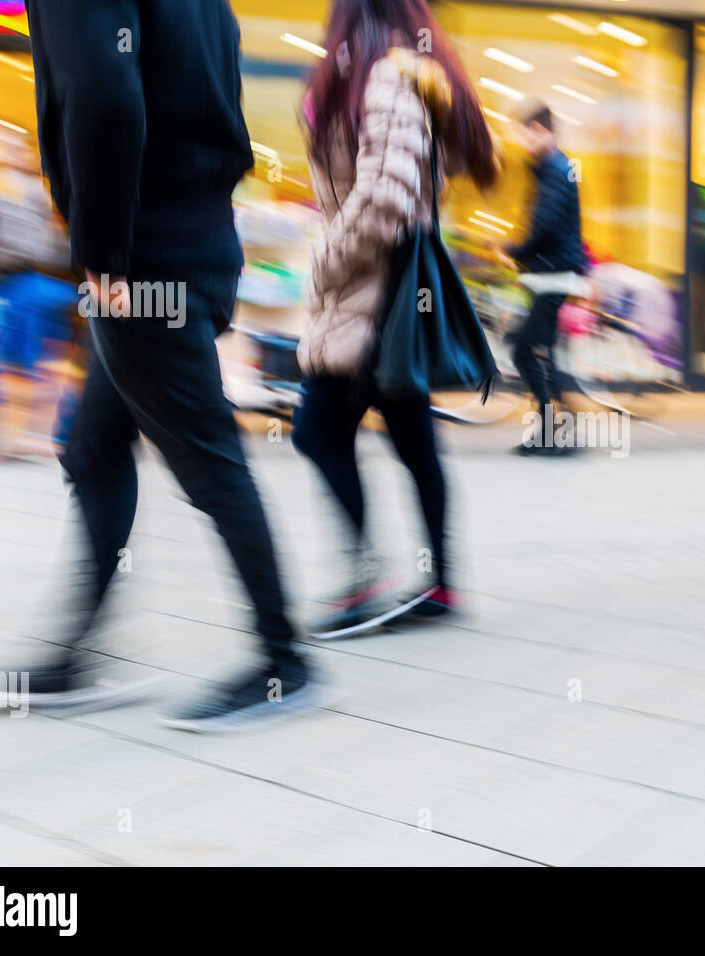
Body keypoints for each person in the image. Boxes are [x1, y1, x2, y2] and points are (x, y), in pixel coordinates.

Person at [17, 0, 314, 728]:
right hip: (198, 238)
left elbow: (105, 95)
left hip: (141, 260)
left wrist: (104, 254)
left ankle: (285, 662)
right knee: (93, 448)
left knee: (207, 458)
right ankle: (73, 659)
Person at [291, 0, 499, 635]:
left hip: (373, 293)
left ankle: (367, 582)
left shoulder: (385, 76)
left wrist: (325, 259)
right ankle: (438, 584)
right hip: (380, 293)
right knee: (411, 438)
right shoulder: (394, 73)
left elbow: (386, 195)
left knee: (318, 431)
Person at [498, 101, 587, 455]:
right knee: (541, 352)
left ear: (541, 131)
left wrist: (514, 250)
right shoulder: (552, 167)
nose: (522, 144)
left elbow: (545, 226)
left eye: (524, 135)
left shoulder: (555, 168)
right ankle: (553, 432)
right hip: (552, 272)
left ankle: (557, 430)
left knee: (525, 351)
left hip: (555, 275)